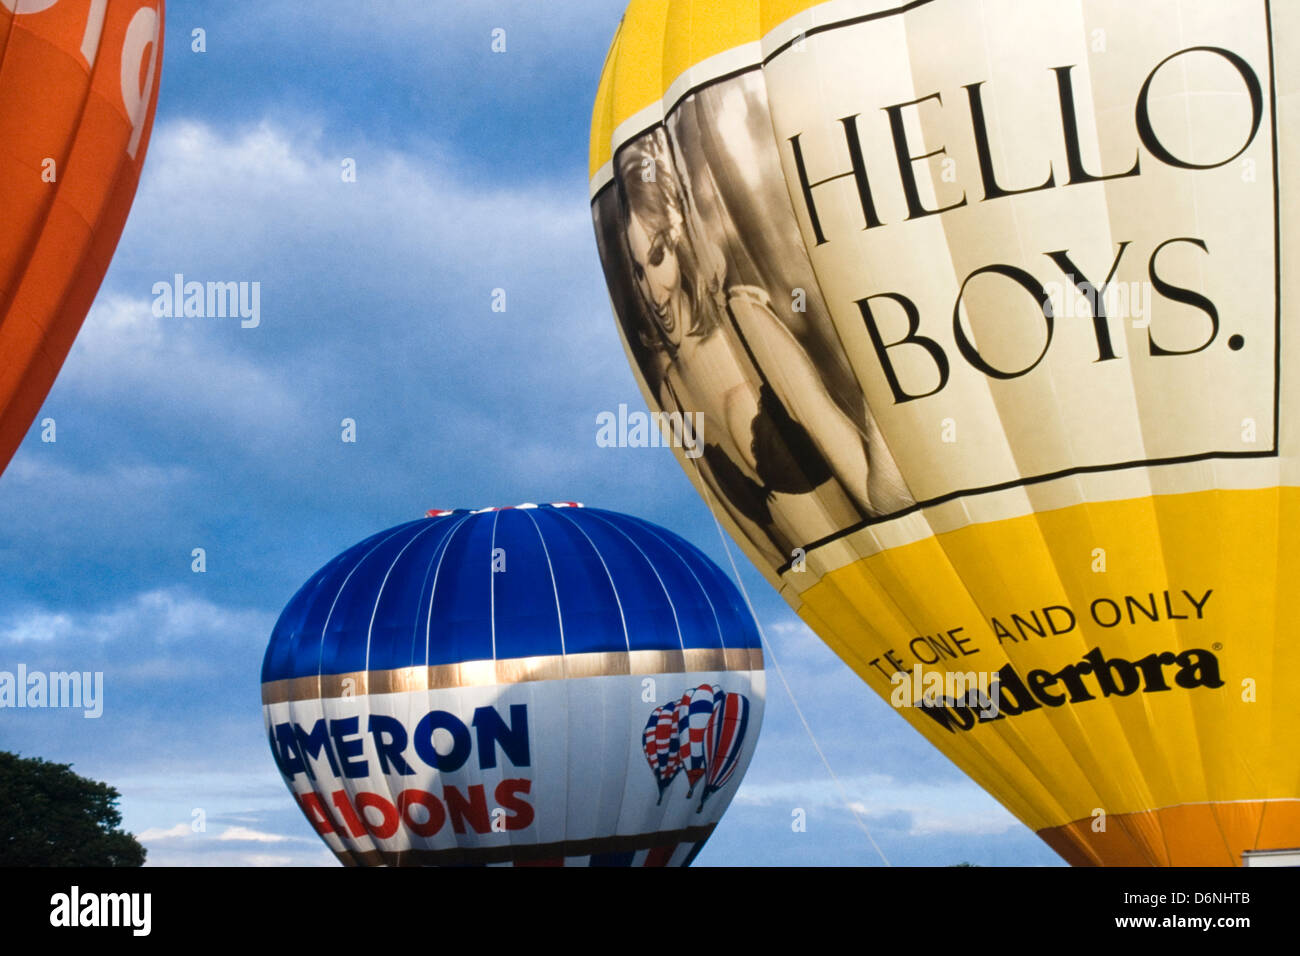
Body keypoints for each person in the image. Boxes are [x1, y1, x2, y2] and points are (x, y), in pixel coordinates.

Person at [613, 130, 913, 565]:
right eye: (639, 271)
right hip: (820, 595)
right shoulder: (670, 388)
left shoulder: (744, 322)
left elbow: (882, 498)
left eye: (658, 257)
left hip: (892, 566)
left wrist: (890, 360)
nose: (652, 288)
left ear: (679, 241)